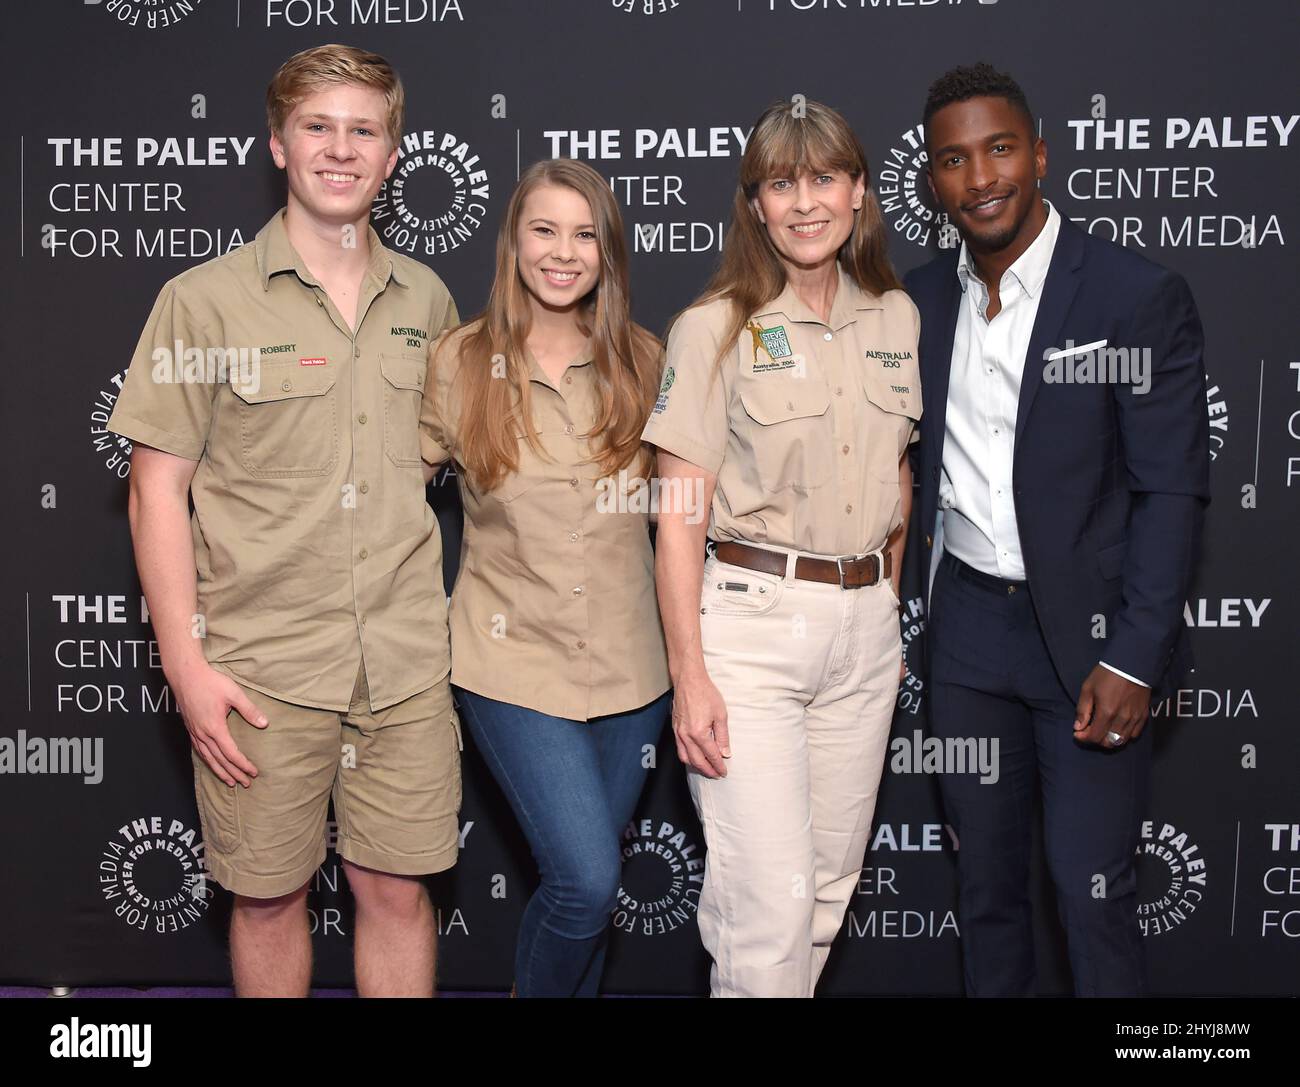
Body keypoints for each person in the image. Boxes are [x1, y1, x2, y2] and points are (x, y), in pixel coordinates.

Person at [107, 44, 462, 997]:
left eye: (364, 130)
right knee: (266, 896)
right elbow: (156, 491)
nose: (340, 150)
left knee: (395, 890)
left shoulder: (428, 300)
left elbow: (440, 460)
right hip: (260, 666)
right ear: (277, 143)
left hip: (403, 664)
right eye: (317, 126)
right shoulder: (201, 302)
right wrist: (186, 664)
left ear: (394, 155)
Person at [906, 63, 1209, 996]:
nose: (981, 177)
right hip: (965, 636)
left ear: (1040, 153)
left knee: (1090, 895)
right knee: (988, 892)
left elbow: (1172, 491)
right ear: (932, 182)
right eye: (954, 160)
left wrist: (1134, 657)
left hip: (1087, 643)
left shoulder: (1132, 295)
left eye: (1000, 148)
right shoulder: (917, 302)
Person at [644, 100, 919, 997]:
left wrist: (884, 603)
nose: (805, 202)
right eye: (780, 183)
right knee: (765, 909)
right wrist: (691, 675)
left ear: (859, 191)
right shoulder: (713, 327)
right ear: (754, 204)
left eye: (824, 178)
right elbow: (678, 512)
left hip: (865, 632)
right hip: (750, 635)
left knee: (825, 897)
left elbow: (901, 481)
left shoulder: (897, 318)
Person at [420, 158, 670, 997]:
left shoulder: (645, 362)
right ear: (513, 242)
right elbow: (387, 507)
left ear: (608, 251)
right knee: (588, 880)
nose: (564, 253)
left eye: (585, 234)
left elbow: (690, 513)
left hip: (636, 671)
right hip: (510, 666)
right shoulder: (458, 361)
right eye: (544, 230)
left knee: (586, 902)